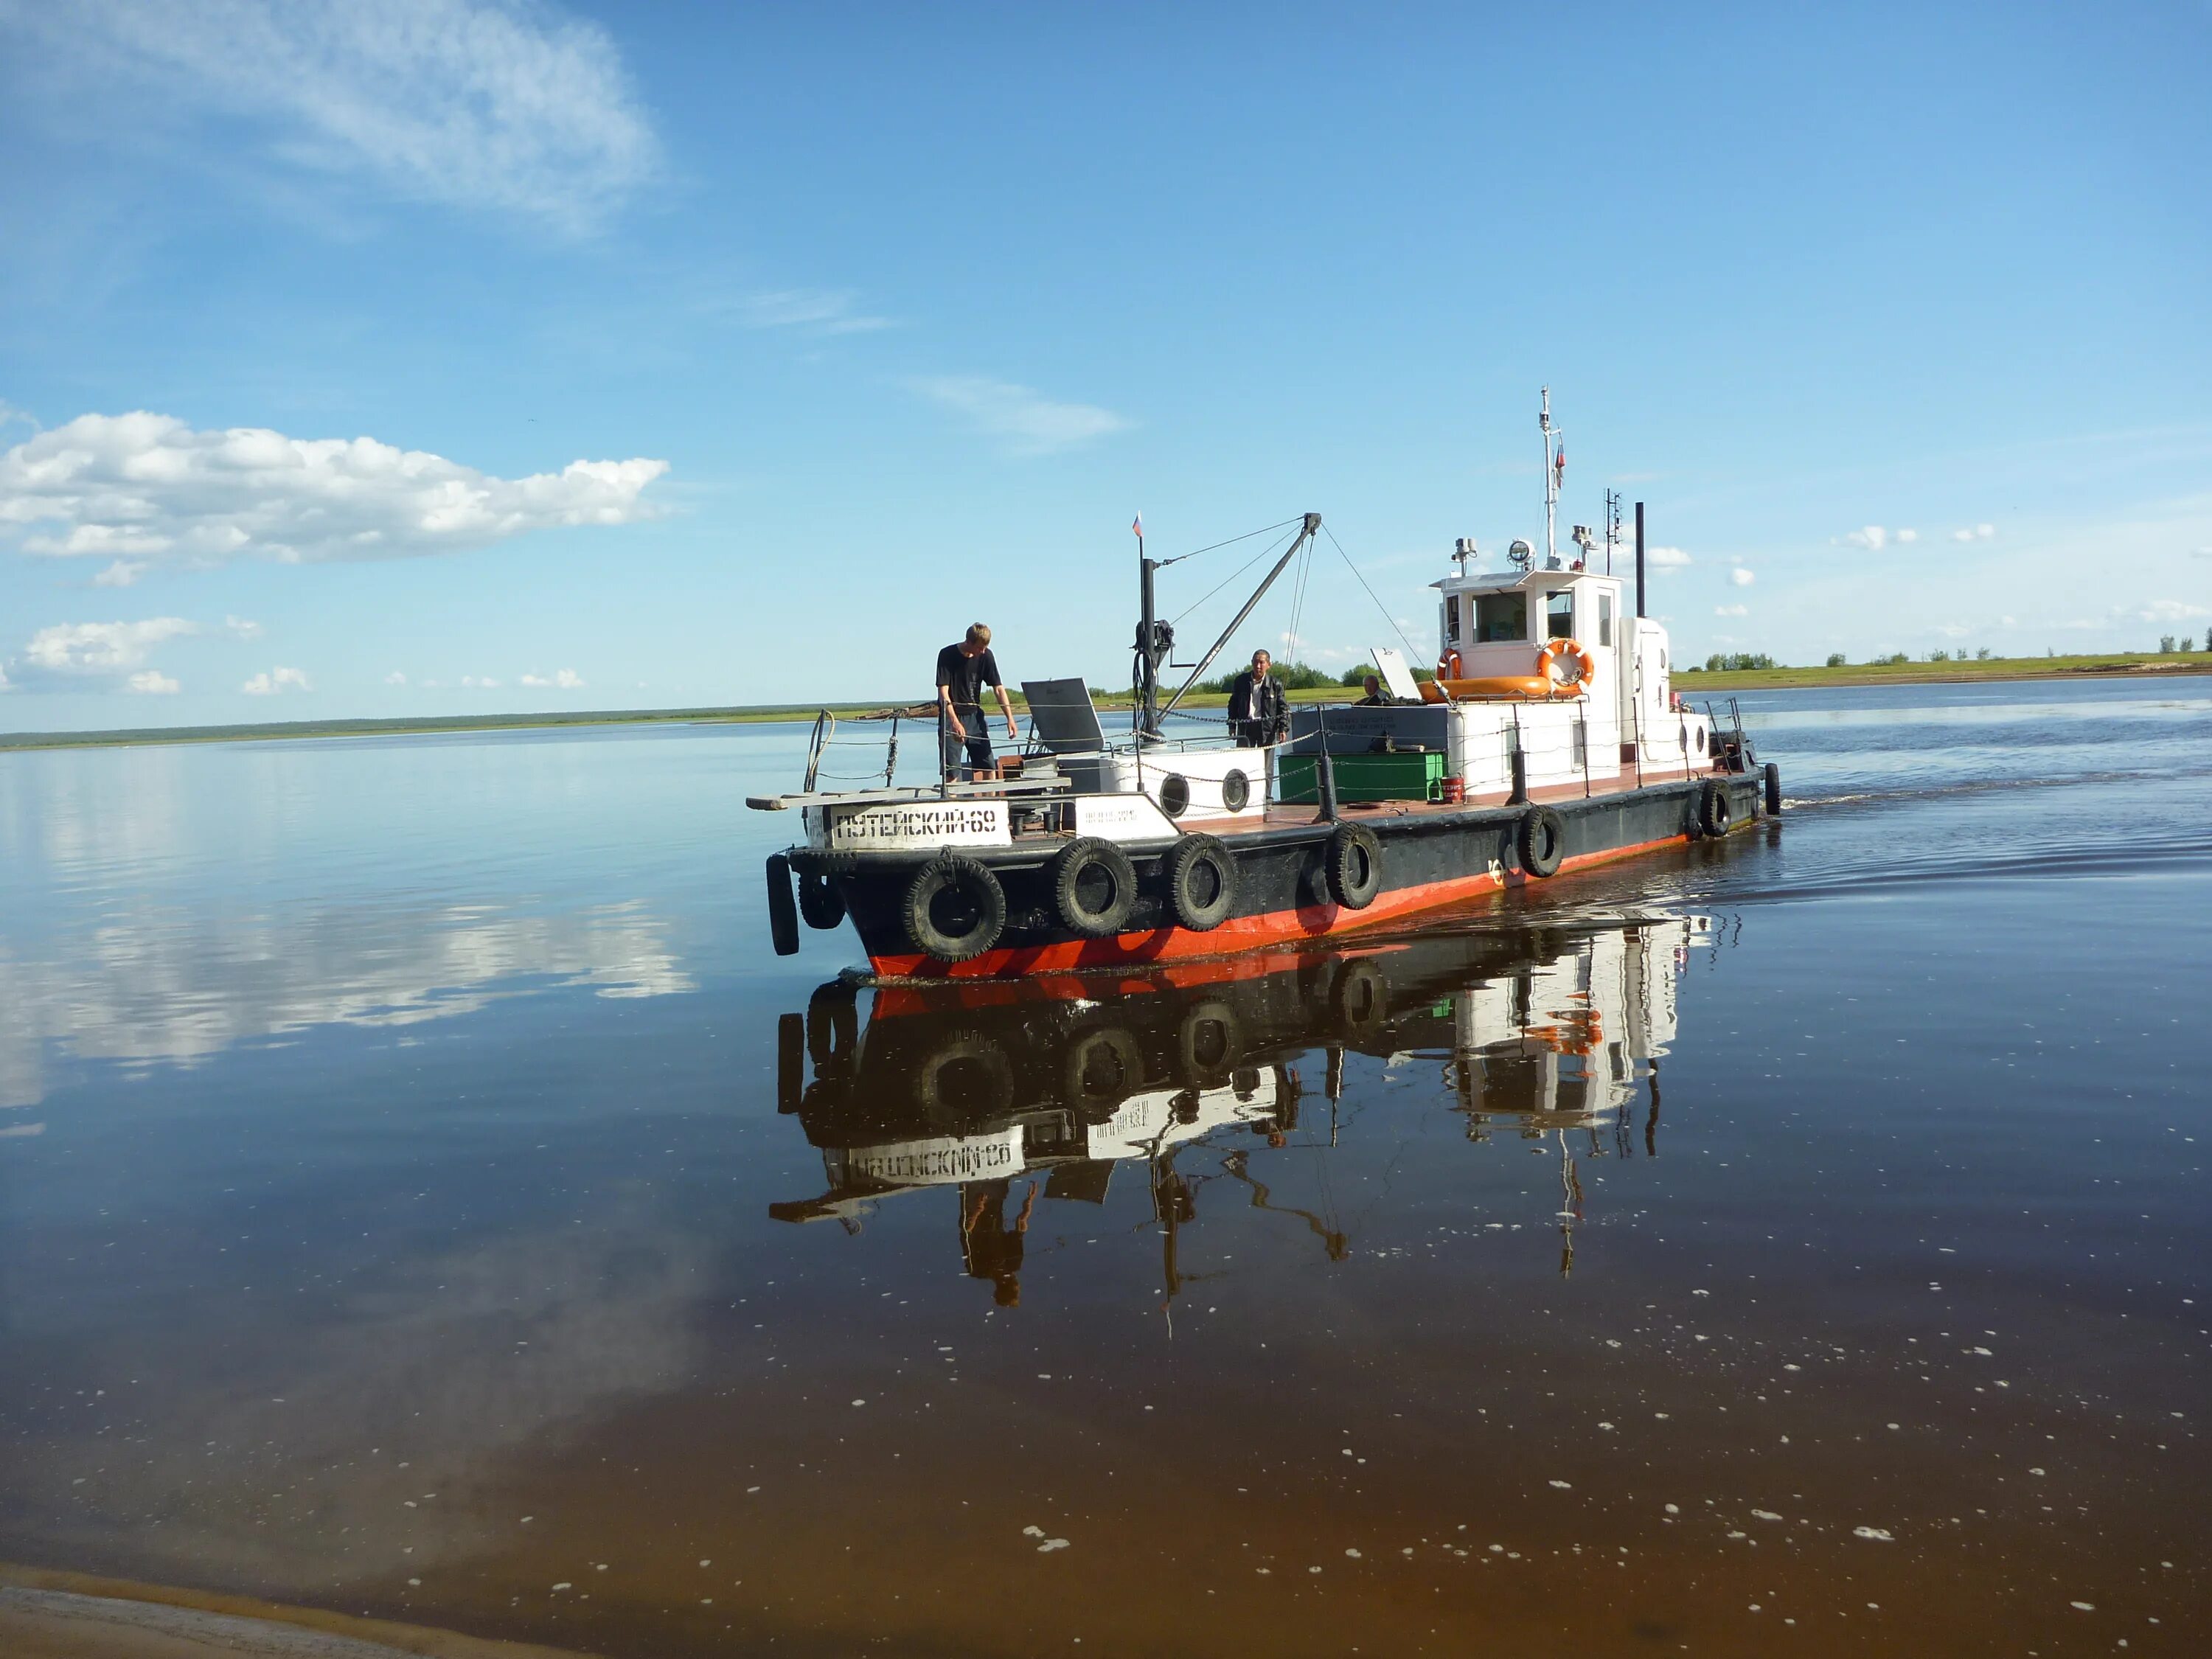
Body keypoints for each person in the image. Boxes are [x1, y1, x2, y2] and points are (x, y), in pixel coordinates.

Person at [936, 623, 1018, 779]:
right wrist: (954, 722)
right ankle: (953, 803)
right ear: (969, 642)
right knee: (952, 772)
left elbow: (999, 689)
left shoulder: (986, 656)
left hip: (975, 716)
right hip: (951, 717)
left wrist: (1010, 718)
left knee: (988, 767)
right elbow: (943, 693)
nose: (983, 651)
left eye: (985, 647)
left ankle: (991, 803)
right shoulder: (947, 655)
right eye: (980, 648)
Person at [1226, 650, 1289, 748]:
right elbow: (1233, 705)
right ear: (1252, 663)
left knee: (1267, 763)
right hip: (1246, 727)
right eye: (1255, 662)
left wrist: (1283, 729)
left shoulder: (1275, 684)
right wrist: (1232, 726)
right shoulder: (1241, 681)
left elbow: (1283, 708)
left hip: (1267, 729)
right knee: (1244, 761)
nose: (1258, 666)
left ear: (1269, 665)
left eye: (1262, 663)